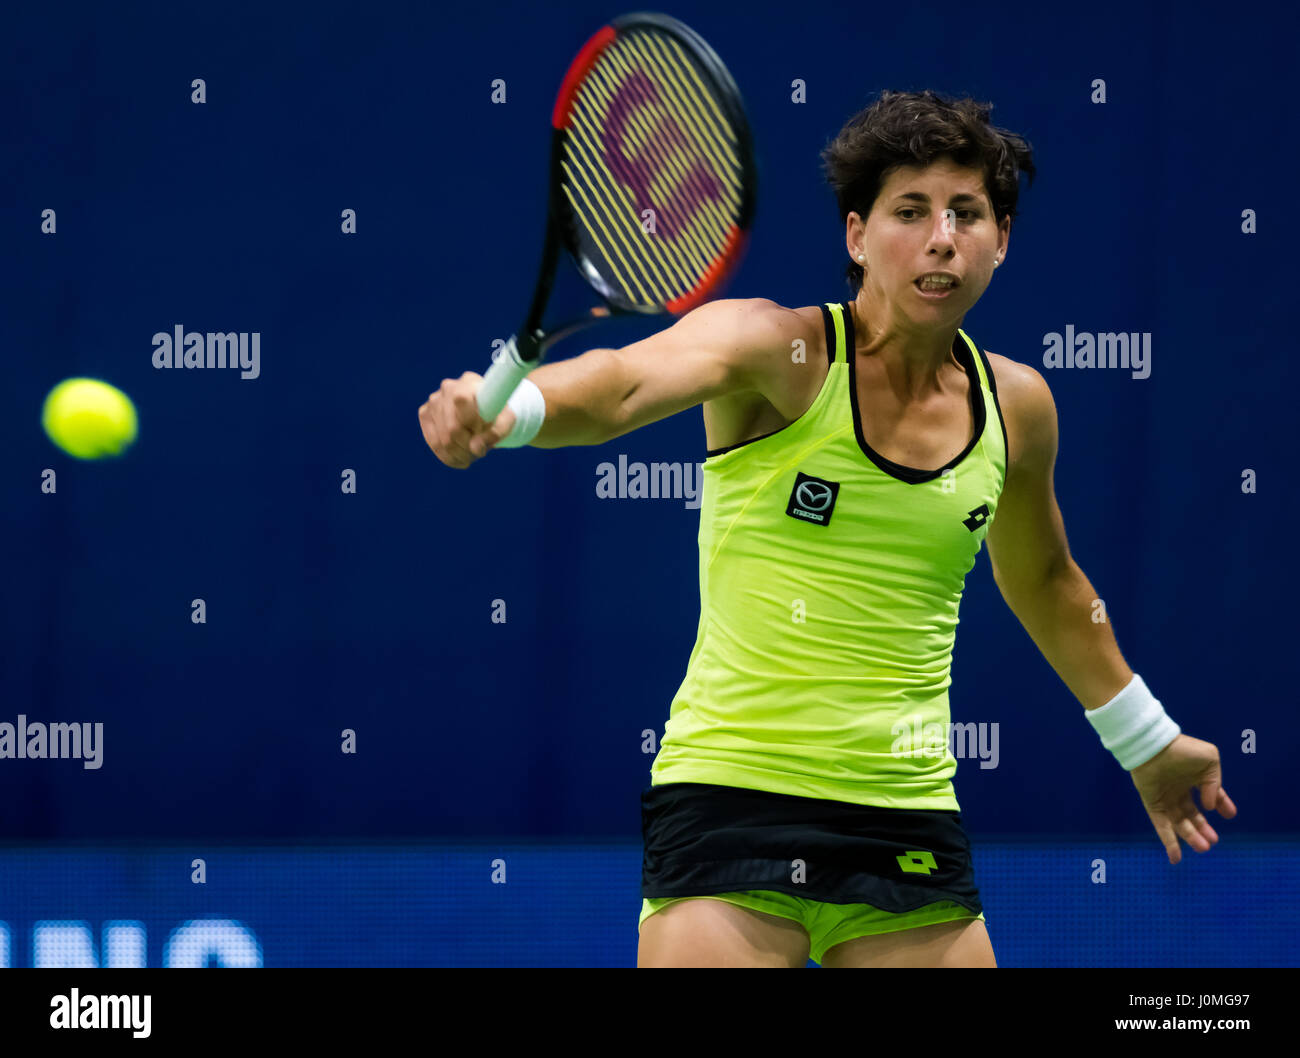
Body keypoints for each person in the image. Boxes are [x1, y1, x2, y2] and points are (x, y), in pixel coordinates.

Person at [418, 89, 1237, 968]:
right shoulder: (777, 350)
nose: (941, 238)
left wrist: (1144, 741)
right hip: (732, 803)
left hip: (906, 816)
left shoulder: (1019, 407)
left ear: (1002, 239)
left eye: (968, 214)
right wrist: (518, 409)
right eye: (910, 212)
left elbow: (1044, 579)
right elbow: (622, 383)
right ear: (857, 236)